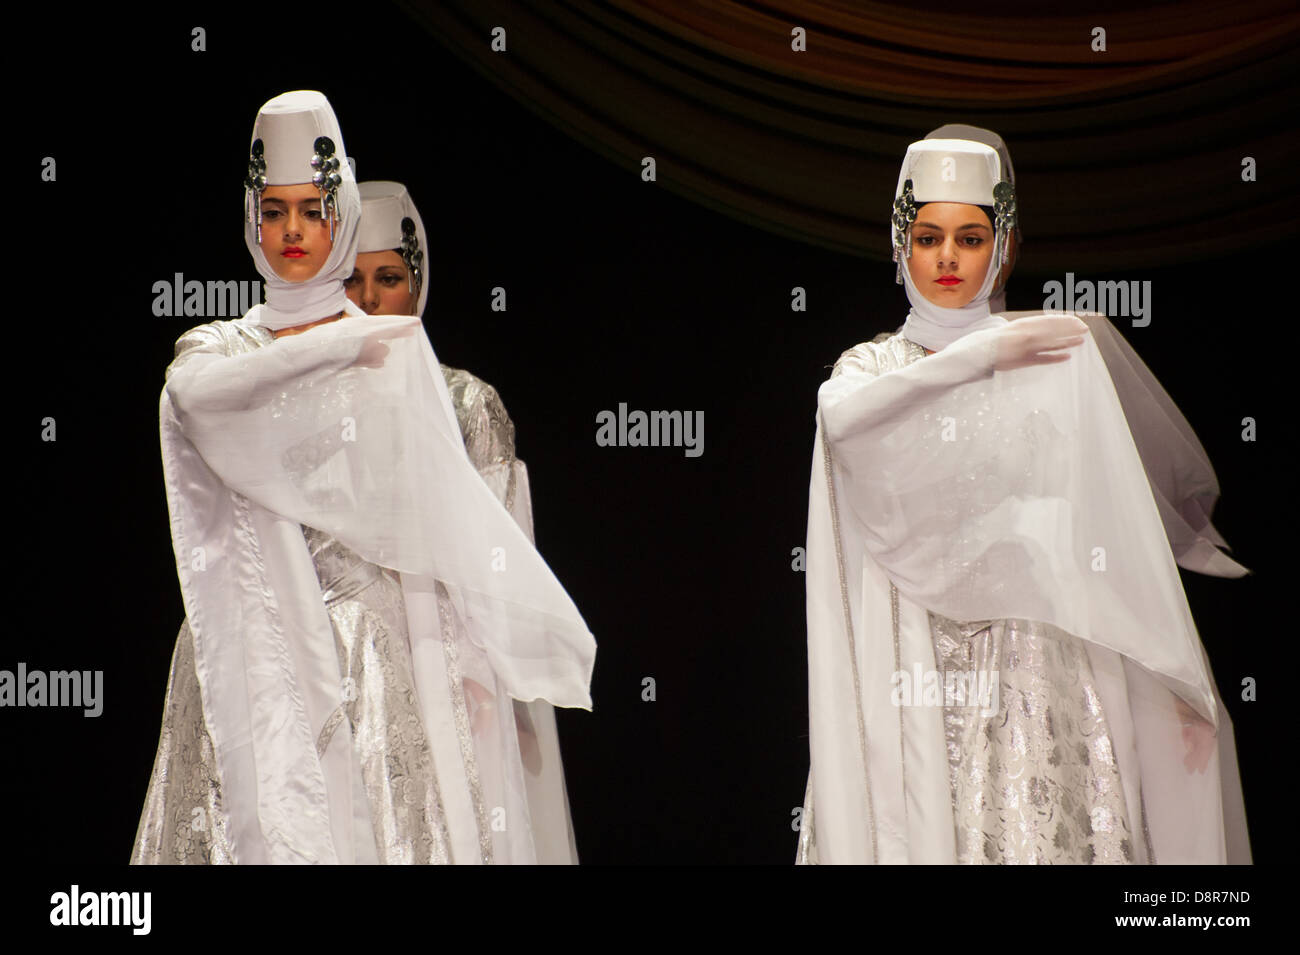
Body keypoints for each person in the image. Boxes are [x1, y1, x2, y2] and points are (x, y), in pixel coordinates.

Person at [131, 91, 595, 865]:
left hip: (379, 670)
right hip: (250, 655)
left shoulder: (400, 359)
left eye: (310, 209)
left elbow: (449, 531)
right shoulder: (223, 350)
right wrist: (338, 350)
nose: (291, 233)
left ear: (337, 211)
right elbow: (197, 399)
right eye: (272, 211)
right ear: (251, 217)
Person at [796, 130, 1250, 864]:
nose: (947, 257)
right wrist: (978, 353)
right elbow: (844, 416)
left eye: (970, 237)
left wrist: (1165, 688)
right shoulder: (873, 368)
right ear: (898, 243)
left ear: (1003, 246)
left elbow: (1101, 547)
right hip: (909, 676)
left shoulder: (1049, 360)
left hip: (1033, 680)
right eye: (928, 235)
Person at [342, 179, 579, 863]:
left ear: (417, 284)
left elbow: (504, 560)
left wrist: (483, 685)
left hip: (446, 675)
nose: (368, 298)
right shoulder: (306, 406)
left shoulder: (465, 403)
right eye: (352, 280)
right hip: (345, 676)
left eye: (388, 277)